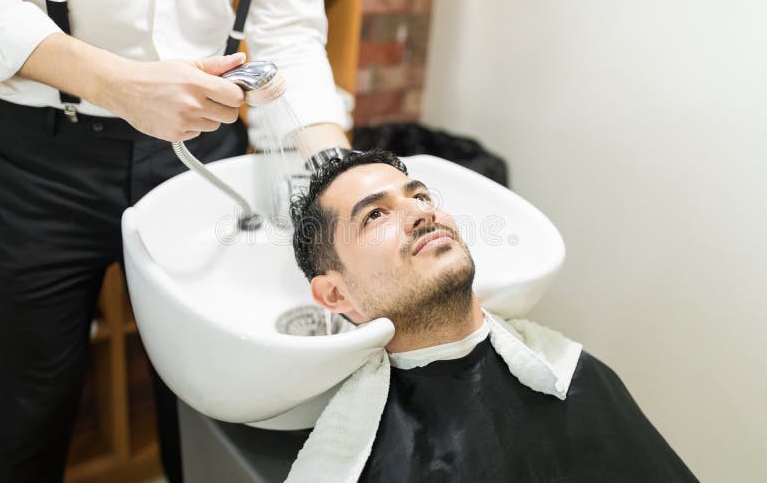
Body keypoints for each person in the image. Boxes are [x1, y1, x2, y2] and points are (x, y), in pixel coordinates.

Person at [0, 0, 351, 481]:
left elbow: (287, 31)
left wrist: (340, 175)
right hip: (34, 165)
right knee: (31, 405)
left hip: (201, 161)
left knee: (204, 396)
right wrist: (114, 83)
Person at [289, 149, 699, 482]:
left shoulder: (576, 376)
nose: (421, 213)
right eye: (375, 215)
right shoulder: (363, 462)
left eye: (421, 196)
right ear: (336, 294)